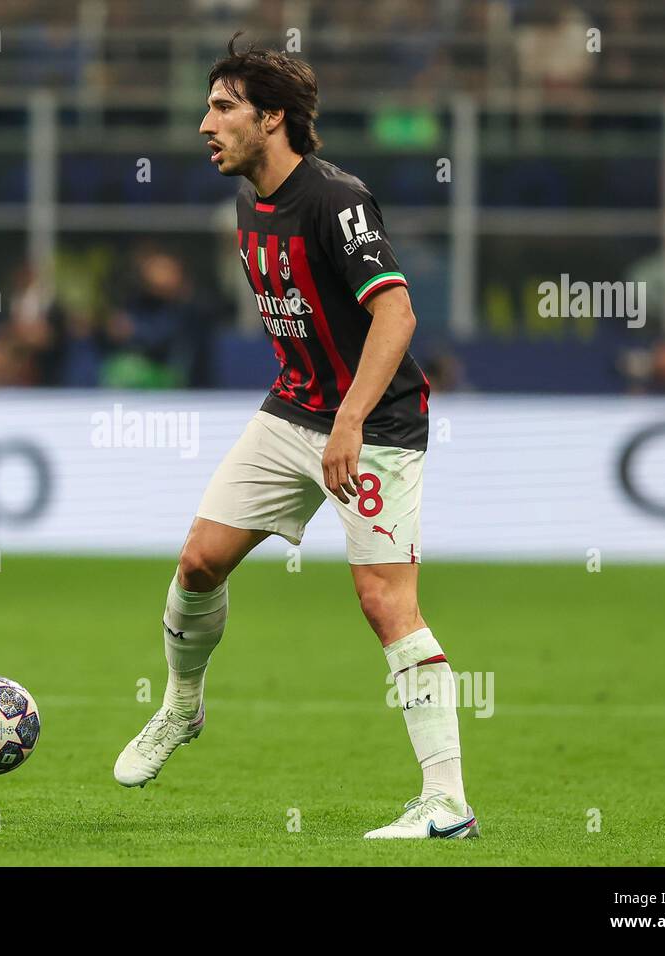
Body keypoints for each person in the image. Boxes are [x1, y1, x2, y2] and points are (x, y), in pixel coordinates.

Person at [112, 36, 477, 840]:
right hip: (291, 412)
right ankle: (180, 708)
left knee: (386, 603)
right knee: (199, 561)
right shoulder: (247, 200)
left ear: (272, 118)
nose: (204, 123)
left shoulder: (336, 199)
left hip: (372, 425)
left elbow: (397, 313)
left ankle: (447, 800)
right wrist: (319, 414)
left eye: (222, 107)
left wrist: (349, 421)